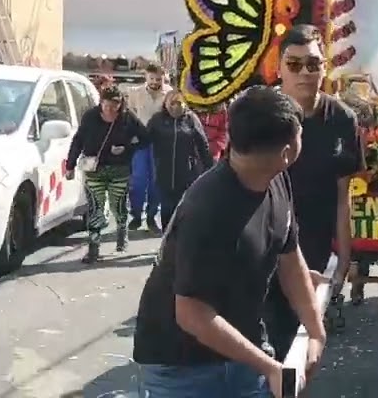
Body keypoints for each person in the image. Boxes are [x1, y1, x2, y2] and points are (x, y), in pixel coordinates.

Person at [133, 86, 326, 398]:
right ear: (287, 151)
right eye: (300, 132)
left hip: (243, 348)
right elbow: (191, 313)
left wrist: (316, 331)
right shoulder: (208, 208)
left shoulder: (276, 177)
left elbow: (290, 258)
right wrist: (269, 367)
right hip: (181, 367)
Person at [264, 24, 364, 359]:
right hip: (263, 246)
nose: (304, 73)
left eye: (313, 64)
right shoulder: (262, 113)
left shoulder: (342, 119)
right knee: (268, 345)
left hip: (313, 249)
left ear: (325, 67)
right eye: (294, 65)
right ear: (279, 68)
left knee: (302, 347)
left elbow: (342, 197)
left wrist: (345, 258)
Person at [65, 85, 148, 262]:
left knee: (118, 206)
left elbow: (145, 138)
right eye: (106, 105)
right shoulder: (90, 117)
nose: (110, 110)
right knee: (96, 209)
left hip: (120, 170)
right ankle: (93, 248)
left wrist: (127, 148)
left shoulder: (127, 117)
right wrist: (70, 165)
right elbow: (78, 140)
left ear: (120, 104)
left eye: (114, 106)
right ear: (100, 103)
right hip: (94, 170)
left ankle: (121, 232)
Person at [147, 90, 211, 228]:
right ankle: (166, 242)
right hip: (164, 172)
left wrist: (209, 168)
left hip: (187, 173)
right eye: (172, 103)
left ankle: (182, 243)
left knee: (184, 211)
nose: (175, 107)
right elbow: (143, 139)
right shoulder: (157, 120)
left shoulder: (191, 119)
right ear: (165, 104)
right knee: (167, 210)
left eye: (179, 103)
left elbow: (203, 145)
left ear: (185, 104)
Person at [127, 63, 169, 232]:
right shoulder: (135, 93)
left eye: (158, 79)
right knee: (138, 179)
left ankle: (152, 216)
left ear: (163, 78)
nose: (155, 82)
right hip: (140, 141)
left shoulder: (168, 93)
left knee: (156, 181)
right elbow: (129, 116)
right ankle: (136, 214)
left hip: (160, 141)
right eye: (152, 78)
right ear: (146, 77)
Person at [197, 99, 230, 163]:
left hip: (213, 152)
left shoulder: (223, 112)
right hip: (196, 150)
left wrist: (213, 148)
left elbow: (224, 133)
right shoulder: (195, 107)